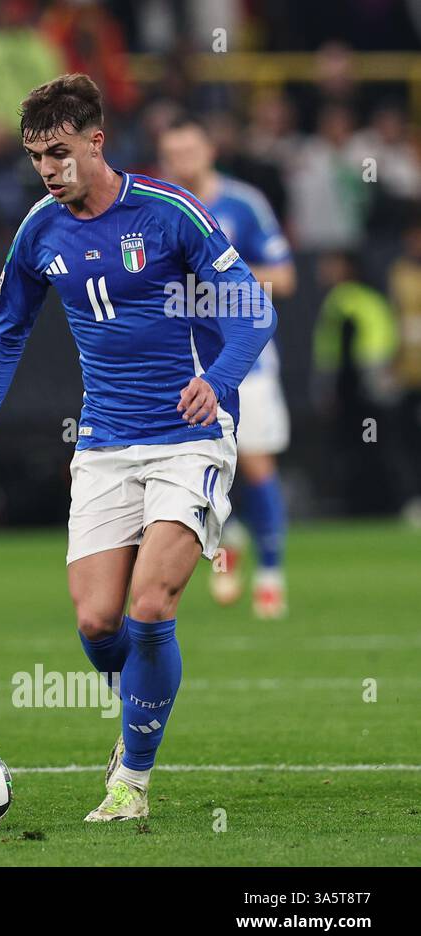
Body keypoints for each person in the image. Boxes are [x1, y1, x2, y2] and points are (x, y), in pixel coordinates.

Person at [0, 75, 277, 822]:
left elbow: (254, 306)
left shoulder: (170, 211)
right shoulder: (38, 230)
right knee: (97, 624)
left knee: (151, 607)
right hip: (105, 444)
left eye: (58, 152)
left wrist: (217, 379)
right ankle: (142, 704)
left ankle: (132, 783)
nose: (48, 169)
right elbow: (7, 331)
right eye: (35, 157)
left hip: (190, 438)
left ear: (96, 141)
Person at [158, 117, 296, 618]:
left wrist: (223, 272)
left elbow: (284, 277)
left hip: (245, 358)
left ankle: (271, 572)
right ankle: (226, 540)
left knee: (256, 461)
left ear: (209, 148)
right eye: (173, 152)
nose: (183, 160)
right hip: (185, 361)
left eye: (190, 148)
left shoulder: (244, 204)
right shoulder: (158, 210)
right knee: (205, 467)